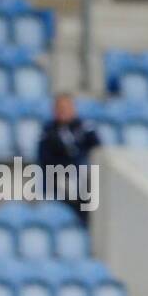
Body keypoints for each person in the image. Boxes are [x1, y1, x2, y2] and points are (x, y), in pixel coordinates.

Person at [36, 92, 100, 227]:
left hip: (83, 174)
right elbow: (44, 159)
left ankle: (89, 220)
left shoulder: (85, 128)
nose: (63, 111)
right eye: (60, 108)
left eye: (66, 108)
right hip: (60, 175)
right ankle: (83, 220)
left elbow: (97, 151)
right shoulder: (48, 132)